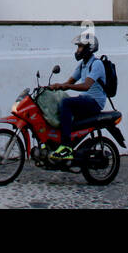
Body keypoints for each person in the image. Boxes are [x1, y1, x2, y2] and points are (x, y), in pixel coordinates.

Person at [46, 32, 107, 162]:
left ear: (89, 48)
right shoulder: (83, 64)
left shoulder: (96, 64)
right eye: (77, 47)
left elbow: (86, 86)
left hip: (94, 102)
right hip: (85, 100)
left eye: (80, 46)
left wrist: (63, 86)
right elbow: (70, 82)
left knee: (66, 103)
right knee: (59, 102)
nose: (77, 50)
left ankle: (66, 147)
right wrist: (56, 86)